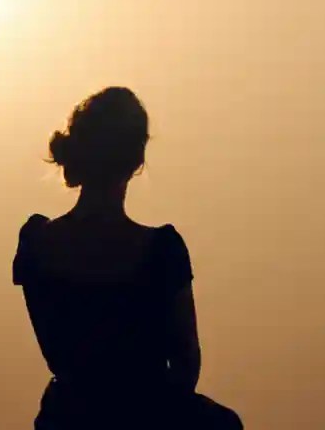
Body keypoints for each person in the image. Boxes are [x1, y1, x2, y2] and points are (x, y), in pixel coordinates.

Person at [13, 87, 243, 429]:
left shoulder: (37, 242)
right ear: (136, 159)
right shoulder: (162, 250)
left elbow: (55, 346)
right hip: (143, 412)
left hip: (67, 413)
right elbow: (186, 363)